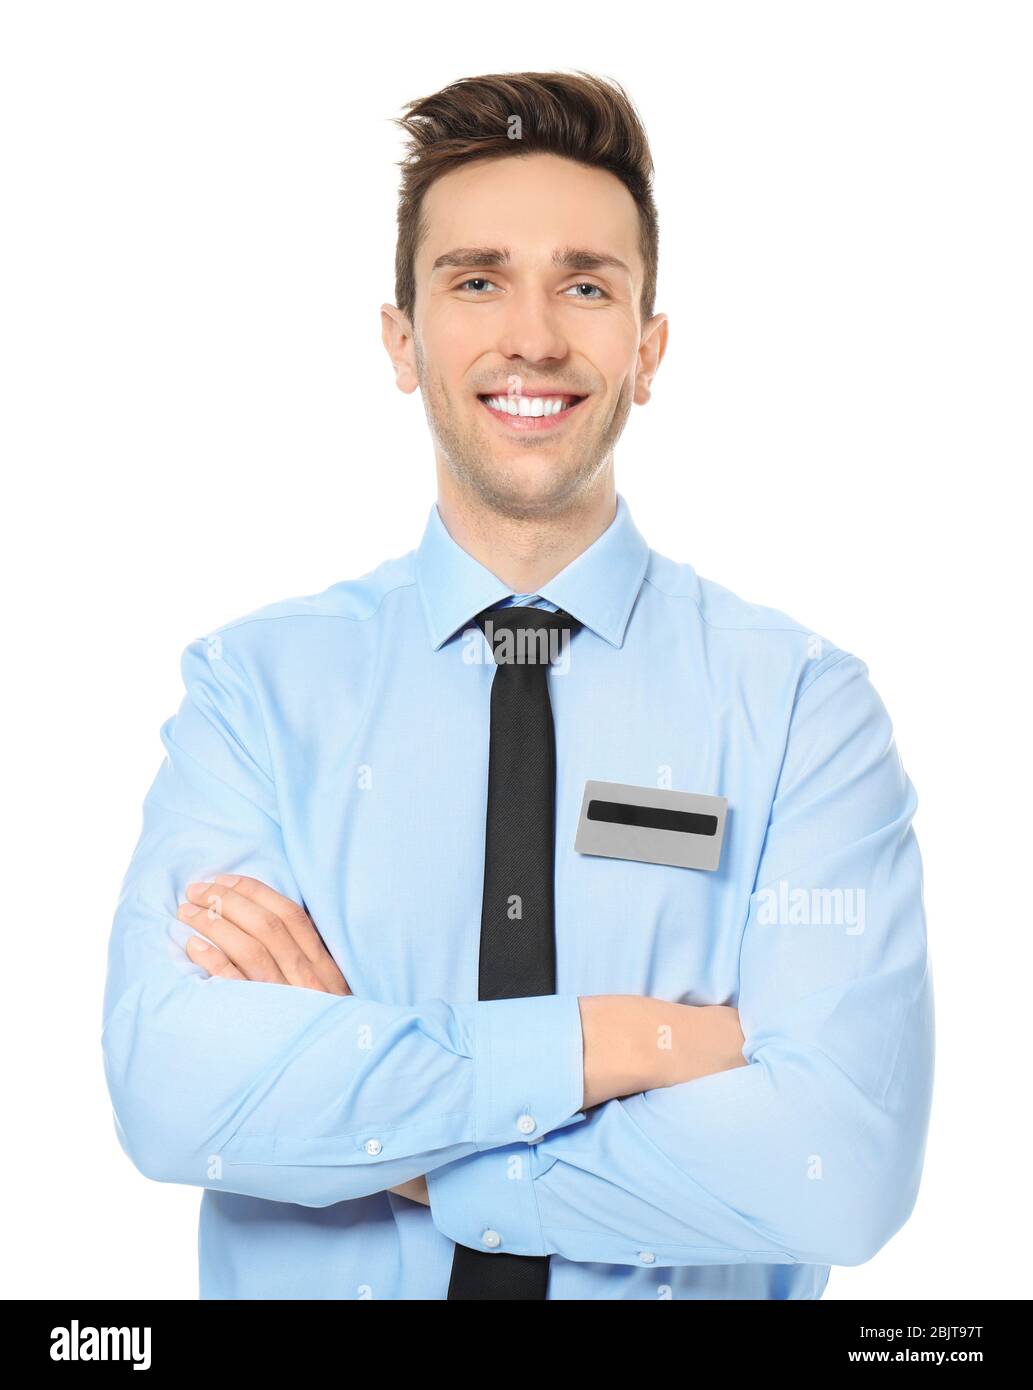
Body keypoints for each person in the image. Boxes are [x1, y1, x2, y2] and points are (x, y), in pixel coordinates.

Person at [102, 70, 934, 1301]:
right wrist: (631, 1043)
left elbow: (836, 1167)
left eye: (586, 285)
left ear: (647, 348)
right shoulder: (256, 693)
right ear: (402, 338)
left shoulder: (802, 710)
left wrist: (384, 1140)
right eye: (477, 279)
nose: (534, 336)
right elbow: (177, 1093)